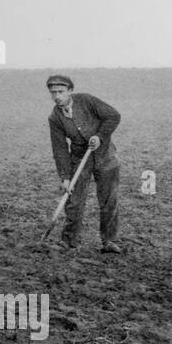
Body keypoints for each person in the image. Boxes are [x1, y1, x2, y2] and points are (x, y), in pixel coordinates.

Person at [47, 74, 122, 253]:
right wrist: (65, 176)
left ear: (70, 91)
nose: (57, 96)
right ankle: (68, 241)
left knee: (108, 200)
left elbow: (113, 116)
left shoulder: (87, 101)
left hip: (106, 156)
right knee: (74, 200)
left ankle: (109, 241)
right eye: (53, 92)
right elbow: (60, 149)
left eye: (61, 92)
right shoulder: (55, 118)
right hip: (80, 158)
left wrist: (99, 136)